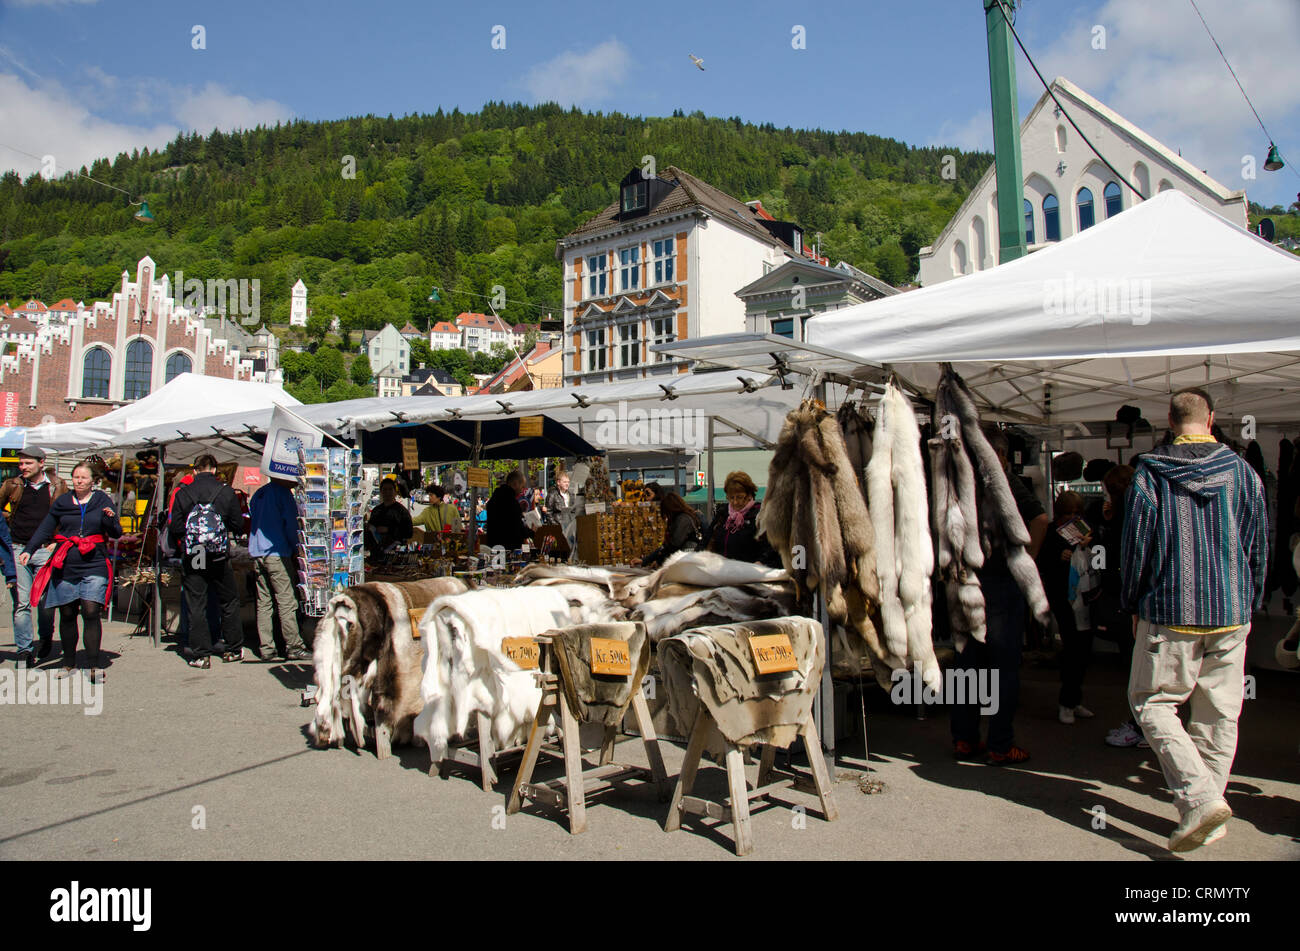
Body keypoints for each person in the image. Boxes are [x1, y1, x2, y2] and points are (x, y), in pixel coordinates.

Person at [1121, 388, 1267, 852]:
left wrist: (1131, 604)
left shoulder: (1150, 473)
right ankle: (1207, 811)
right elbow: (1257, 544)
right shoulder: (1244, 474)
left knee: (1152, 704)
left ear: (1169, 419)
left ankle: (1201, 802)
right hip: (1230, 610)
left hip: (1170, 610)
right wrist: (1251, 602)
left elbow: (1135, 549)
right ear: (1212, 417)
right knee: (1218, 716)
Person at [950, 428, 1049, 766]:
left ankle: (965, 739)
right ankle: (999, 744)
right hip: (1000, 585)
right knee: (1002, 668)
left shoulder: (960, 478)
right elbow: (1040, 518)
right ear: (1002, 455)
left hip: (967, 582)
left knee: (968, 665)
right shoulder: (1001, 480)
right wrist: (1028, 558)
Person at [20, 460, 120, 680]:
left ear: (93, 480)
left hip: (94, 562)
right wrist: (30, 549)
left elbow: (116, 532)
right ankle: (69, 663)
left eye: (84, 477)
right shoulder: (63, 501)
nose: (79, 481)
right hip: (66, 563)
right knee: (67, 613)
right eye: (76, 477)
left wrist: (110, 519)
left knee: (91, 611)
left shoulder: (102, 500)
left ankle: (93, 665)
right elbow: (46, 526)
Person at [170, 454, 246, 668]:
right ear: (214, 469)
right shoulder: (226, 492)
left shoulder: (183, 493)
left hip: (196, 554)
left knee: (197, 602)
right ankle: (233, 649)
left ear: (194, 470)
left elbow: (175, 527)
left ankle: (201, 654)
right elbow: (238, 524)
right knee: (228, 600)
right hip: (219, 554)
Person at [1, 447, 66, 665]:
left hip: (45, 549)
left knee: (46, 602)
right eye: (21, 463)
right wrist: (9, 520)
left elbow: (66, 515)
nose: (23, 467)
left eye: (28, 463)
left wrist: (57, 541)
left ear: (41, 462)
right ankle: (24, 650)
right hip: (18, 548)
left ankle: (46, 636)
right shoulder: (13, 484)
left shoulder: (57, 485)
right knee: (22, 603)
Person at [1036, 490, 1095, 724]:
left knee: (1083, 650)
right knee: (1073, 649)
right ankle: (1067, 702)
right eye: (1067, 513)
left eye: (1075, 513)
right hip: (1064, 597)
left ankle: (1074, 700)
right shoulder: (1051, 532)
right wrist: (1059, 557)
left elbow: (1099, 558)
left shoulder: (1086, 529)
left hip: (1084, 595)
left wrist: (1088, 545)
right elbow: (1041, 562)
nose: (1071, 517)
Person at [249, 477, 310, 663]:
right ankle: (294, 646)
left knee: (264, 601)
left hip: (257, 552)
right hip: (277, 552)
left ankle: (266, 647)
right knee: (286, 600)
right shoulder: (283, 494)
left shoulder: (259, 493)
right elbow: (292, 526)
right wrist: (297, 549)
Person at [704, 471, 778, 566]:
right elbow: (707, 538)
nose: (735, 502)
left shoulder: (760, 515)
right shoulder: (723, 514)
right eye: (731, 498)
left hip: (750, 573)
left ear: (749, 495)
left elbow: (772, 546)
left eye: (739, 497)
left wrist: (761, 562)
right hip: (722, 571)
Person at [635, 491, 702, 569]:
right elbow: (666, 546)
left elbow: (674, 545)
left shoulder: (682, 520)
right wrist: (645, 560)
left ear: (671, 509)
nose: (666, 517)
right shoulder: (681, 519)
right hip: (687, 560)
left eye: (666, 512)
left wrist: (659, 561)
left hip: (687, 561)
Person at [366, 478, 413, 559]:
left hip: (396, 554)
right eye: (385, 489)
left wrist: (389, 529)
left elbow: (408, 532)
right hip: (376, 553)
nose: (387, 492)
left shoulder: (402, 511)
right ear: (381, 492)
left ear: (395, 492)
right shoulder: (376, 511)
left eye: (390, 489)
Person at [485, 470, 530, 551]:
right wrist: (531, 532)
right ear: (515, 484)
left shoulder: (494, 499)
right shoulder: (511, 502)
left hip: (493, 546)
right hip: (508, 548)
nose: (522, 490)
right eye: (522, 486)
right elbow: (517, 528)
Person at [545, 472, 579, 550]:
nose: (567, 484)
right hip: (558, 525)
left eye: (568, 482)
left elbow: (574, 510)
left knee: (571, 547)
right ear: (558, 482)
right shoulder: (552, 495)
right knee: (560, 548)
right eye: (564, 482)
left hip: (570, 526)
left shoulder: (571, 495)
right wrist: (556, 526)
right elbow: (548, 512)